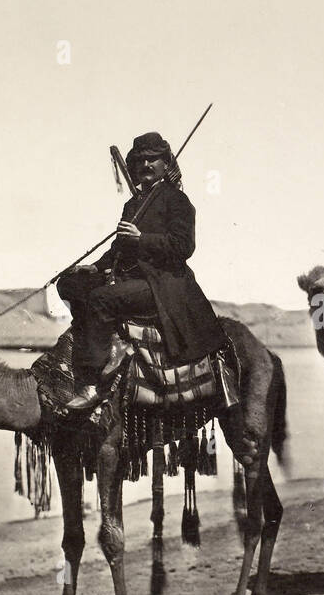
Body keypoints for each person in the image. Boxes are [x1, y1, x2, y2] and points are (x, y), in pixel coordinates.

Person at [59, 132, 228, 409]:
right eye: (140, 161)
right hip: (130, 280)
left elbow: (184, 246)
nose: (146, 165)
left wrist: (142, 239)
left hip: (163, 285)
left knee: (102, 298)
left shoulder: (177, 200)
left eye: (153, 159)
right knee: (68, 284)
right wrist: (96, 266)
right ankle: (107, 337)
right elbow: (118, 249)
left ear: (165, 164)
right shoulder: (133, 204)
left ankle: (90, 384)